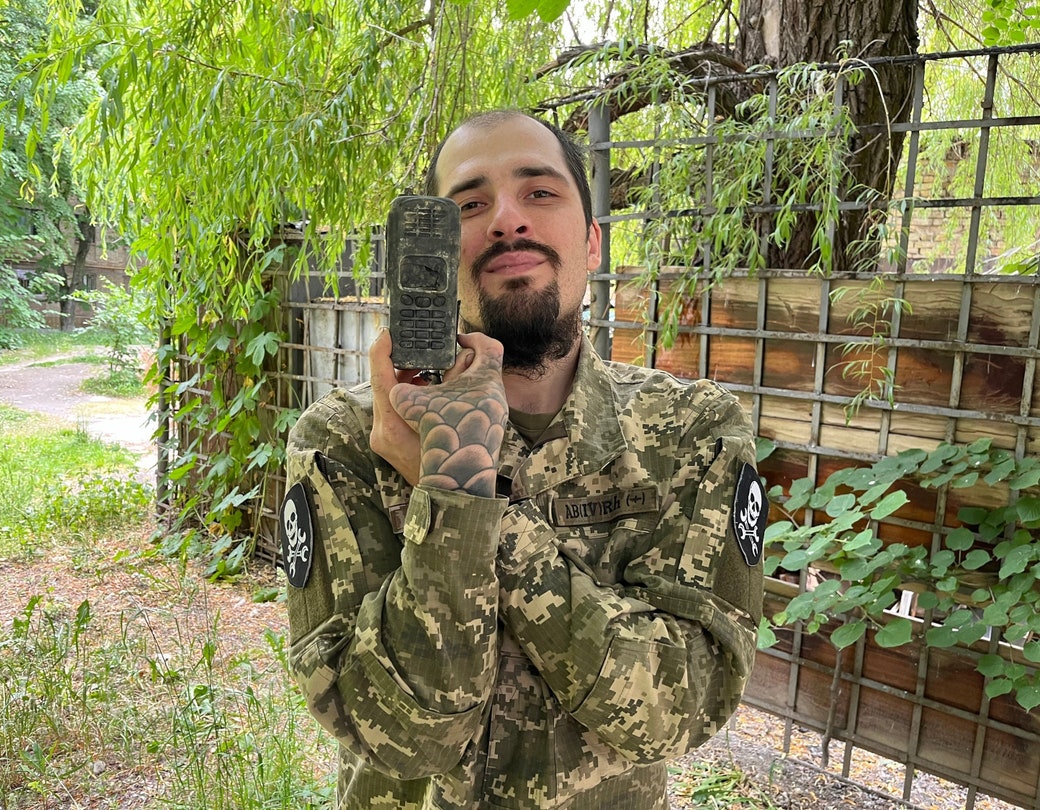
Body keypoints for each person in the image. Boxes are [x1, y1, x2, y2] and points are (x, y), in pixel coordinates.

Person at [281, 109, 766, 809]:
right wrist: (454, 494)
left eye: (539, 192)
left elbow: (680, 706)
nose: (507, 220)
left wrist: (472, 501)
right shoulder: (346, 441)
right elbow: (399, 736)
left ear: (592, 241)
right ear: (434, 257)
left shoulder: (694, 432)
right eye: (469, 205)